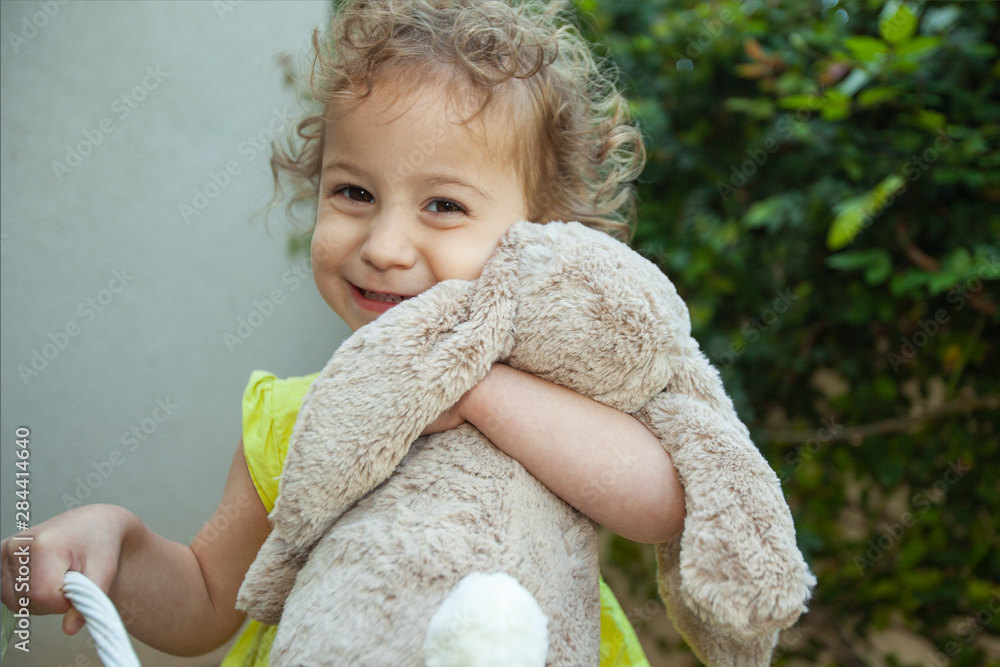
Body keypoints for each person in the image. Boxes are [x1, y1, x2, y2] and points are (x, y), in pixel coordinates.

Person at [0, 1, 685, 665]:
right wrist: (115, 546)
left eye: (443, 205)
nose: (384, 245)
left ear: (544, 235)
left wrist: (474, 392)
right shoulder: (301, 418)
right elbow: (207, 596)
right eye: (354, 192)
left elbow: (660, 501)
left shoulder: (556, 399)